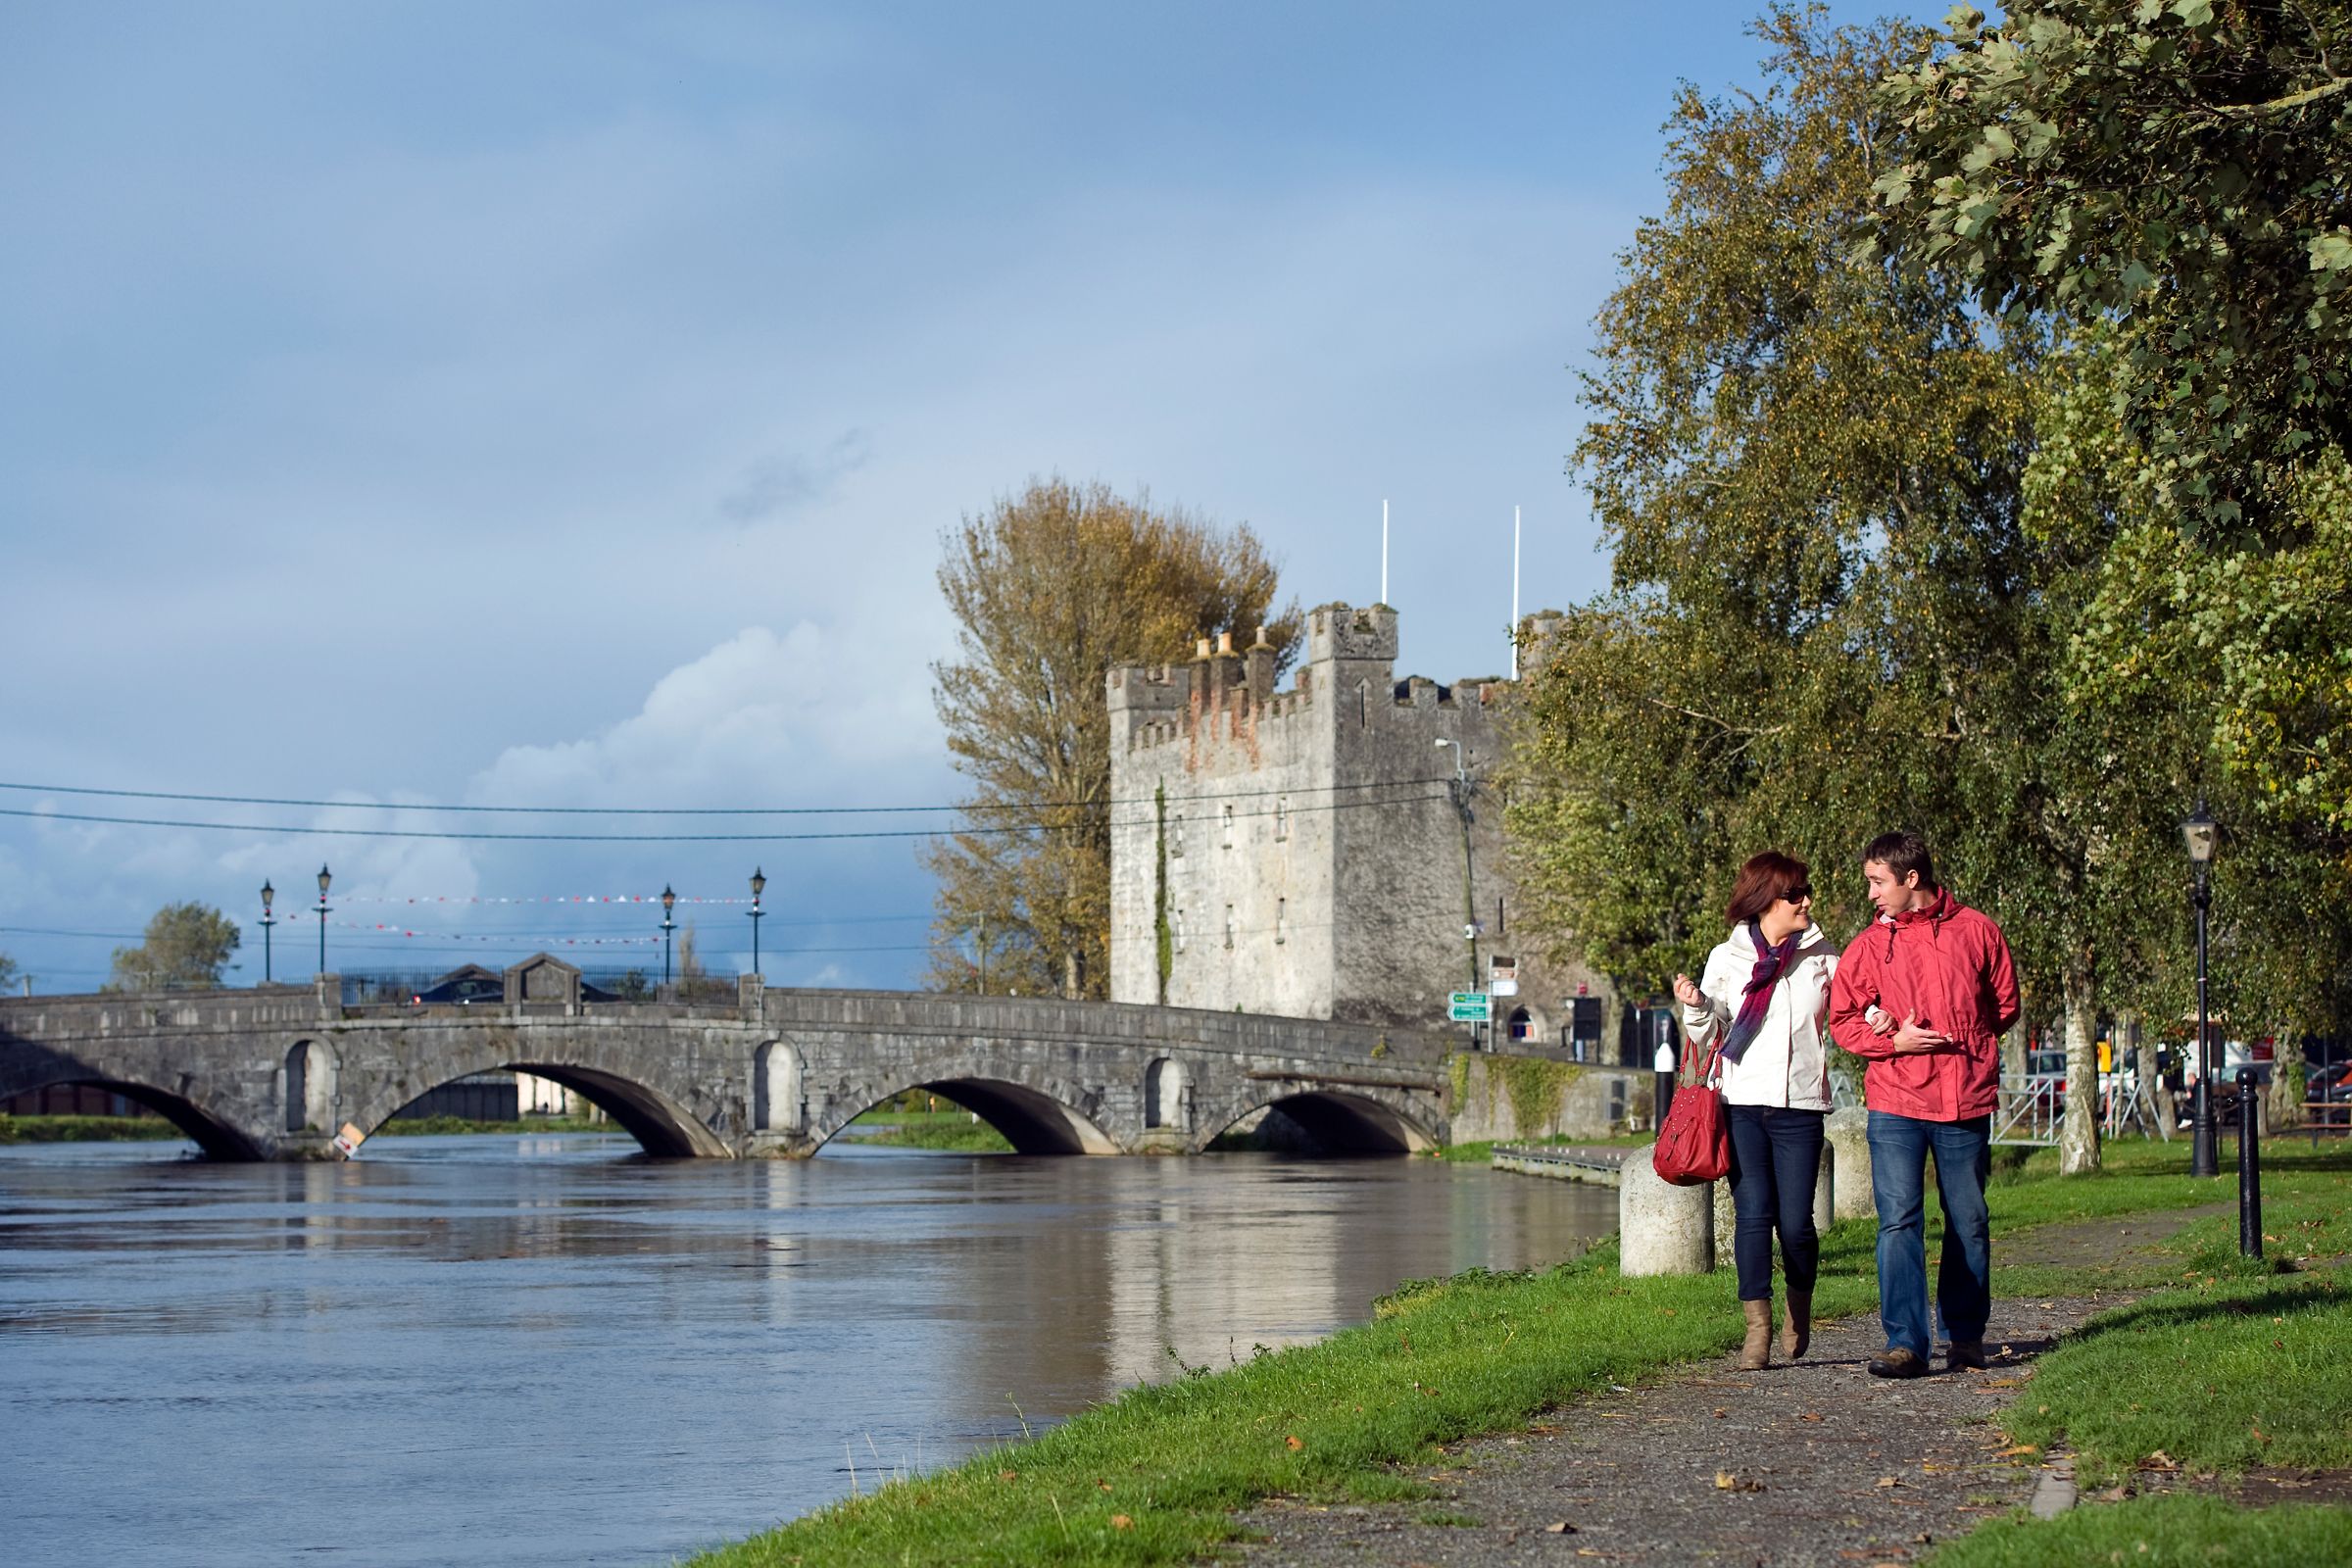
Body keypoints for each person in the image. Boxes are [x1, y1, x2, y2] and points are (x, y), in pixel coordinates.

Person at [1827, 829, 2019, 1379]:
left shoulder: (1978, 931)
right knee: (1898, 1221)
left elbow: (2004, 1005)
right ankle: (1906, 1343)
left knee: (1968, 1221)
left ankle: (1965, 1337)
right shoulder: (1868, 946)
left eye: (1877, 882)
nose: (1871, 894)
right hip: (1896, 1101)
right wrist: (1893, 1041)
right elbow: (1842, 1020)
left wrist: (1966, 1043)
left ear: (1912, 880)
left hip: (1963, 1100)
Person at [1672, 851, 1837, 1371]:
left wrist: (1878, 1016)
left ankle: (1798, 1307)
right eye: (1795, 894)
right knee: (1753, 1216)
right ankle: (1756, 1332)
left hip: (1801, 1106)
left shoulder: (1822, 955)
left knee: (1796, 1226)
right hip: (1741, 1104)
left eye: (1806, 891)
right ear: (1767, 900)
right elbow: (1714, 1032)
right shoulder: (1727, 958)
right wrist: (1697, 1006)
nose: (1806, 901)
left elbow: (1852, 1008)